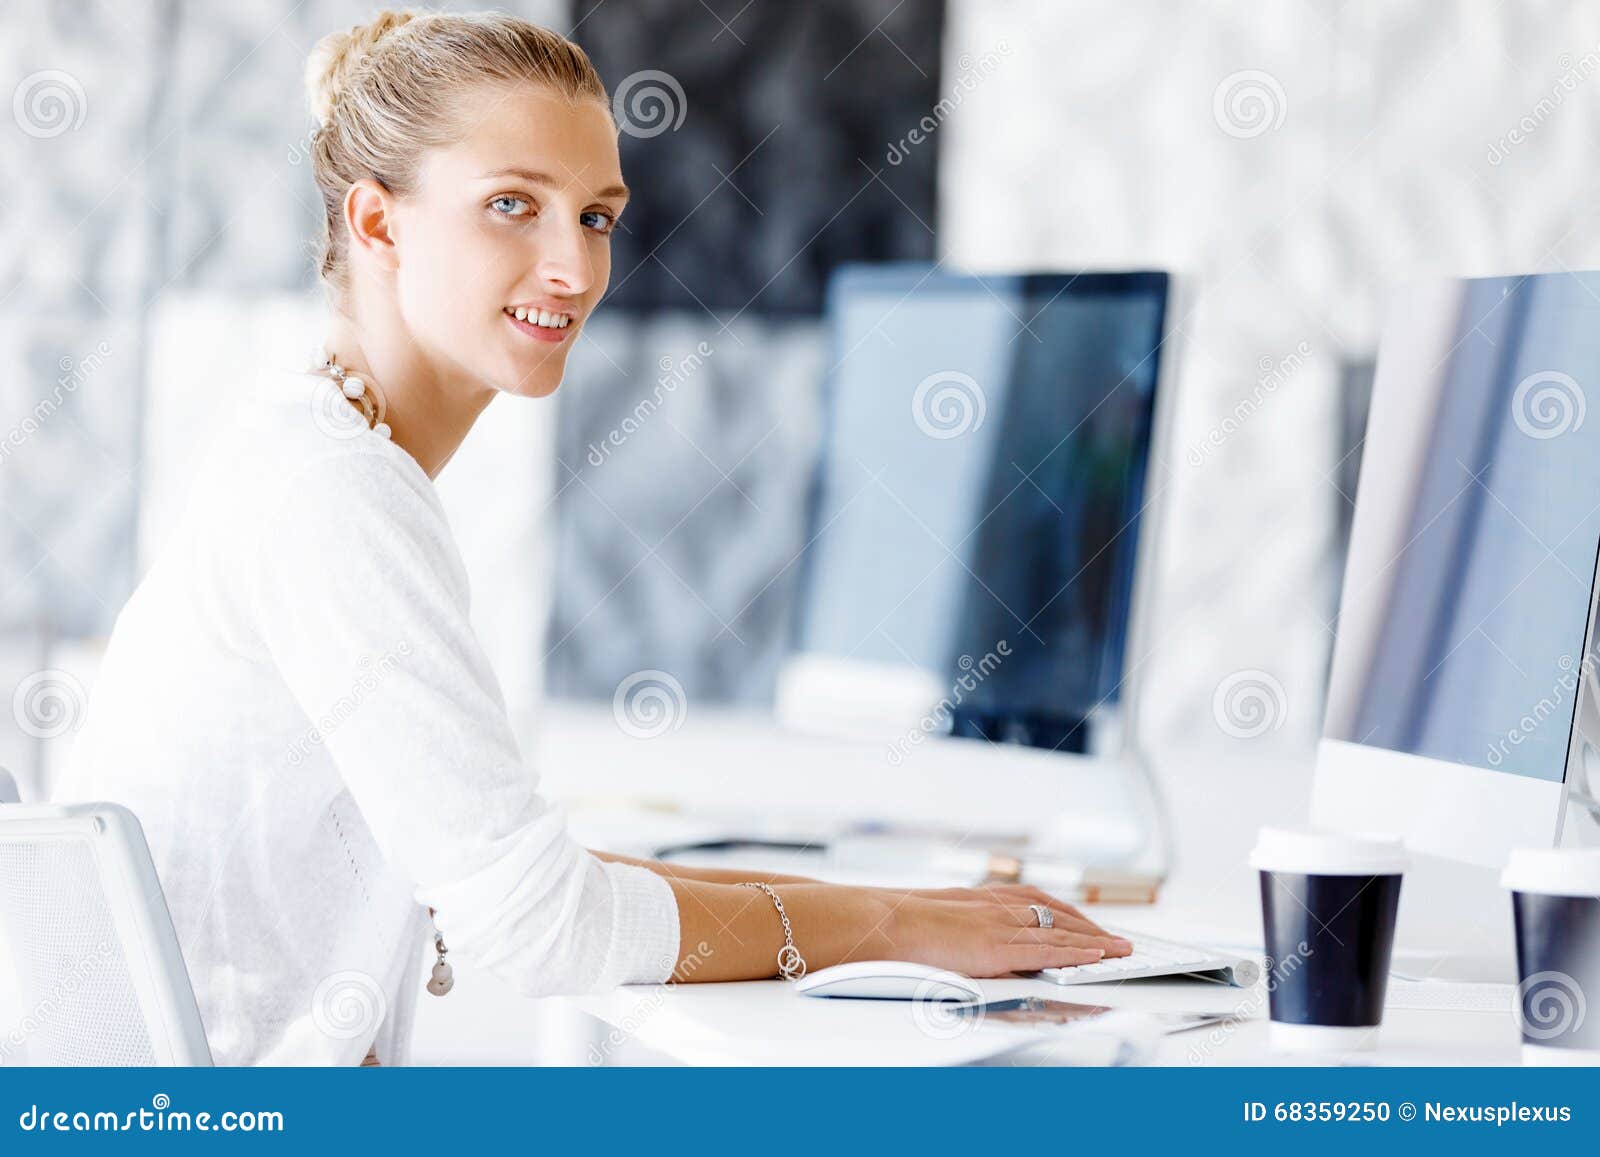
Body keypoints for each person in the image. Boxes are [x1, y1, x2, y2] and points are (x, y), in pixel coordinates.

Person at [59, 9, 1129, 1066]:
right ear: (379, 224)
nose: (572, 268)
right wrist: (897, 933)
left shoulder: (314, 451)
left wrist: (894, 907)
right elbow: (536, 923)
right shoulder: (332, 493)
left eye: (596, 216)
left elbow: (509, 870)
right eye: (512, 205)